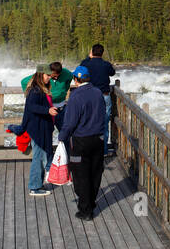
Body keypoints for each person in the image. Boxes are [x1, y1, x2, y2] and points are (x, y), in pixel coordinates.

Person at [58, 65, 107, 219]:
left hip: (81, 140)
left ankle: (85, 210)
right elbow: (103, 114)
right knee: (95, 172)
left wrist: (62, 137)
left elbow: (70, 122)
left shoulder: (76, 96)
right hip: (98, 138)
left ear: (76, 79)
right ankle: (91, 202)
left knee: (81, 174)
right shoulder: (98, 92)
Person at [21, 67, 58, 197]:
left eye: (50, 75)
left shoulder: (41, 88)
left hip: (42, 127)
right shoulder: (35, 90)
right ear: (39, 75)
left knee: (41, 156)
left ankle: (38, 184)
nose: (49, 77)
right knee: (38, 156)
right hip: (37, 128)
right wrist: (47, 111)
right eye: (46, 75)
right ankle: (34, 187)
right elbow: (31, 107)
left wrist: (50, 109)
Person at [79, 44, 116, 152]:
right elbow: (112, 72)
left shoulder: (87, 64)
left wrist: (88, 57)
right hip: (104, 96)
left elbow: (80, 67)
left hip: (89, 97)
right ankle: (103, 150)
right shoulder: (106, 64)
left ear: (92, 52)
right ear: (102, 53)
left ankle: (89, 149)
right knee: (104, 123)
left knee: (88, 121)